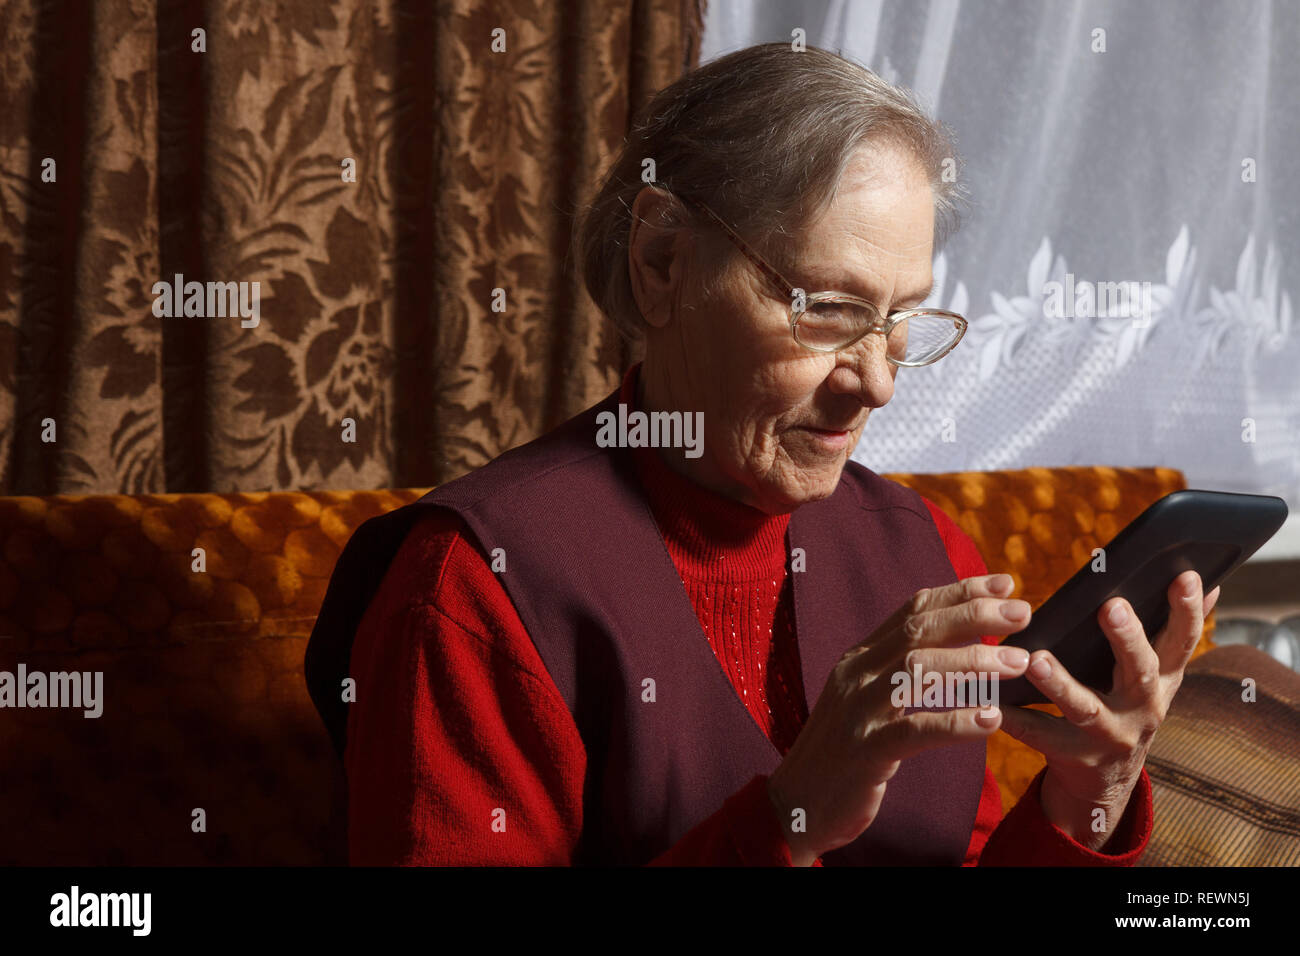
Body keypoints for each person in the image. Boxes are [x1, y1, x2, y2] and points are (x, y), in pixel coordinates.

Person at [308, 43, 1218, 866]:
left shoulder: (931, 556)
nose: (878, 383)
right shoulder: (475, 587)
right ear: (662, 260)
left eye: (902, 321)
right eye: (827, 308)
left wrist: (1082, 799)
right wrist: (788, 815)